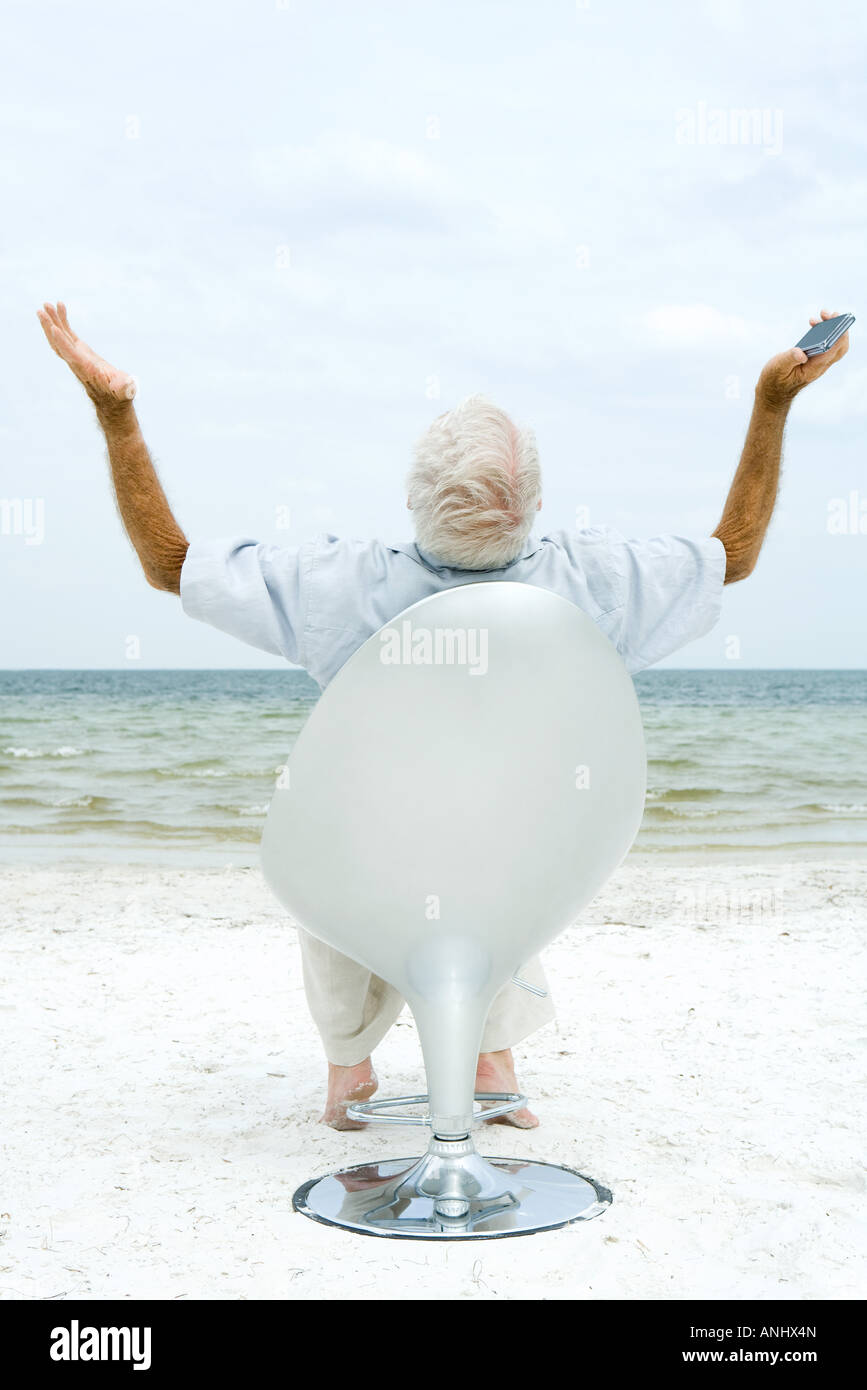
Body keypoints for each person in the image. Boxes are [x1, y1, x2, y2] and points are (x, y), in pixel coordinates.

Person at [37, 300, 849, 1128]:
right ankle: (491, 1058)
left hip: (367, 854)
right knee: (499, 836)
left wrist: (116, 413)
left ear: (413, 499)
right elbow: (733, 555)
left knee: (338, 839)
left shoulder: (341, 584)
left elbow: (167, 563)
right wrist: (771, 403)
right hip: (514, 857)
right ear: (533, 506)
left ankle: (348, 1068)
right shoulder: (594, 582)